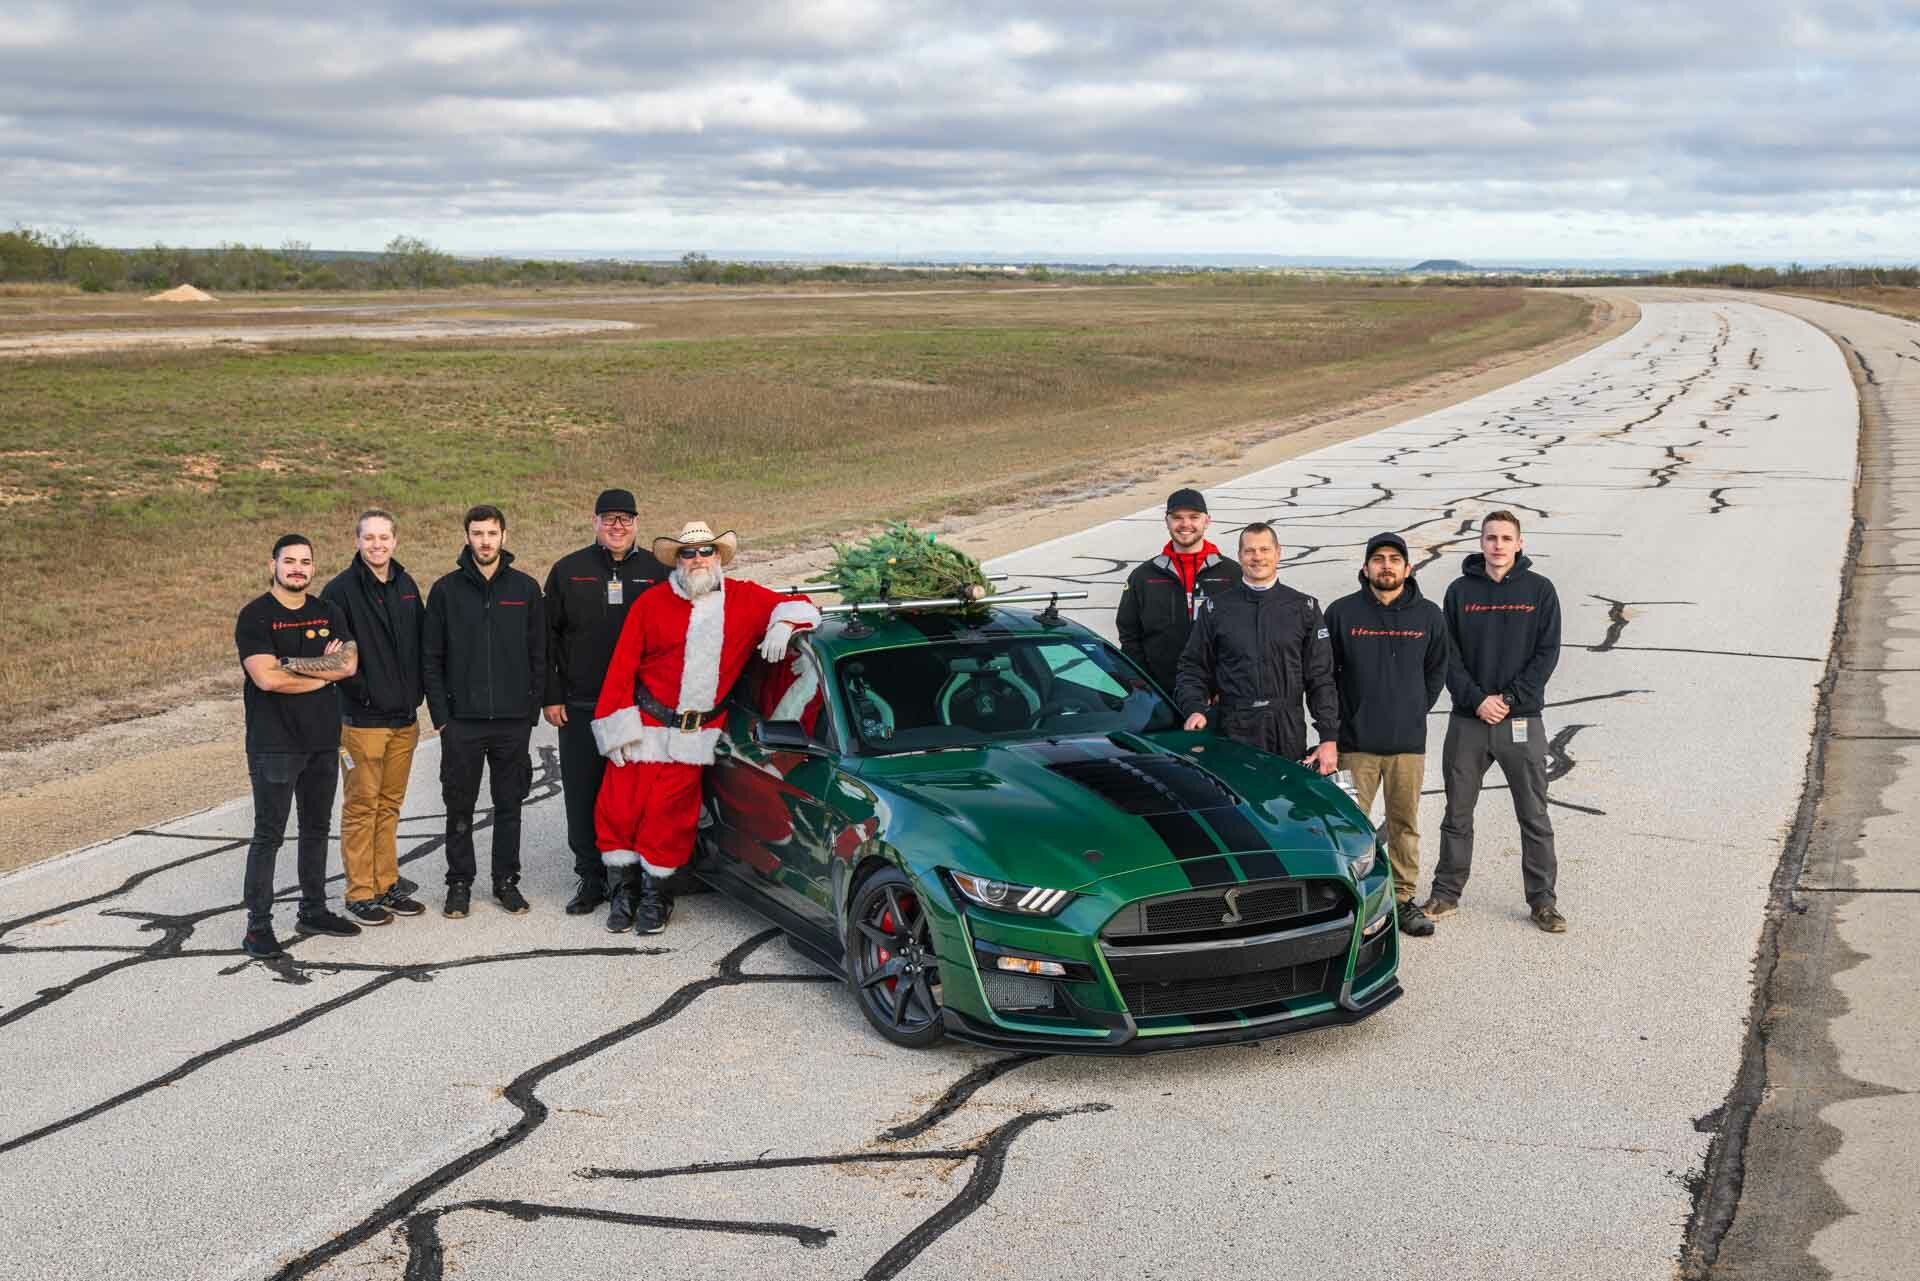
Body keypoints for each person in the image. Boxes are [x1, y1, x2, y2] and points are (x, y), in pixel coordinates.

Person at [590, 520, 820, 934]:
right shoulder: (651, 603)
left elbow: (800, 604)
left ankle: (657, 897)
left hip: (695, 735)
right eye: (688, 553)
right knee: (619, 809)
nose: (697, 560)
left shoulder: (746, 600)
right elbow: (621, 666)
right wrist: (615, 726)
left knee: (669, 816)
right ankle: (621, 893)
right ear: (677, 560)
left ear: (719, 558)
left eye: (705, 552)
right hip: (642, 724)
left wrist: (785, 625)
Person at [1429, 510, 1567, 933]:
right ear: (1481, 542)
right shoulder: (1459, 591)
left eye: (1507, 538)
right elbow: (1447, 656)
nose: (1498, 545)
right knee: (1457, 813)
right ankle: (1446, 892)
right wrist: (1476, 700)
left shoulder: (1540, 591)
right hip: (1469, 722)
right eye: (1491, 537)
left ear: (1519, 543)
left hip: (1520, 720)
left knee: (1534, 815)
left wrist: (1507, 699)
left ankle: (1543, 901)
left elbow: (1546, 655)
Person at [233, 533, 364, 958]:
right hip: (275, 744)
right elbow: (266, 679)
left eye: (305, 562)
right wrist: (319, 670)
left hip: (323, 740)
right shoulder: (255, 616)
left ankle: (313, 910)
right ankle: (258, 927)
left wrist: (289, 662)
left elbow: (347, 665)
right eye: (289, 561)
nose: (297, 569)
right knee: (268, 835)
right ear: (272, 565)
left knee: (315, 830)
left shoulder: (328, 611)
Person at [543, 489, 671, 916]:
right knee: (582, 791)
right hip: (580, 703)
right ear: (594, 522)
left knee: (630, 796)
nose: (618, 526)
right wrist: (551, 694)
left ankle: (631, 879)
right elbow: (547, 639)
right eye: (609, 519)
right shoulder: (568, 571)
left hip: (639, 707)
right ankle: (591, 878)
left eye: (626, 519)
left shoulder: (656, 571)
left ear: (637, 523)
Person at [422, 504, 547, 920]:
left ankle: (505, 881)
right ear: (467, 537)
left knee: (509, 803)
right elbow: (431, 657)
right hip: (462, 722)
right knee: (459, 804)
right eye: (477, 534)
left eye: (492, 533)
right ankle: (459, 883)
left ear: (504, 536)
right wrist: (441, 715)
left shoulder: (526, 589)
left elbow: (539, 652)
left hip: (513, 721)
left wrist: (530, 710)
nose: (485, 541)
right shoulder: (445, 591)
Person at [1325, 532, 1450, 936]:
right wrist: (1343, 721)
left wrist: (1412, 708)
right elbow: (1327, 674)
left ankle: (1401, 899)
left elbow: (1436, 672)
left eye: (1394, 559)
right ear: (1366, 568)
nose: (1386, 565)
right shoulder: (1342, 613)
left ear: (1407, 568)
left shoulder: (1429, 615)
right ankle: (1357, 902)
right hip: (1355, 745)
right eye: (1377, 559)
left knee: (1404, 824)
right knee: (1351, 827)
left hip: (1407, 746)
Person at [320, 509, 429, 926]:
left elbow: (420, 642)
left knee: (389, 806)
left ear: (395, 541)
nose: (377, 545)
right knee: (362, 806)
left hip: (404, 719)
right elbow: (336, 660)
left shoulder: (405, 584)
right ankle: (360, 892)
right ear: (357, 541)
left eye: (384, 537)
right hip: (363, 722)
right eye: (369, 538)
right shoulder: (340, 591)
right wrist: (363, 694)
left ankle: (386, 884)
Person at [1174, 522, 1339, 773]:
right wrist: (1194, 708)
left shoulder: (1304, 608)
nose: (1257, 557)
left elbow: (1320, 678)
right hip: (1234, 730)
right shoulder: (1216, 609)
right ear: (1240, 556)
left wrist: (1328, 736)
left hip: (1287, 730)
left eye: (1265, 549)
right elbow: (1192, 667)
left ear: (1278, 553)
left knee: (1287, 806)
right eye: (1250, 551)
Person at [1116, 487, 1242, 697]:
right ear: (1166, 521)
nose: (1185, 524)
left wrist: (1228, 684)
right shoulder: (1143, 576)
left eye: (1194, 517)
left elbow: (1246, 634)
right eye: (1177, 518)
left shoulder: (1232, 574)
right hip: (1161, 695)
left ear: (1207, 521)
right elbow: (1129, 635)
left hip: (1222, 695)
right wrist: (1146, 683)